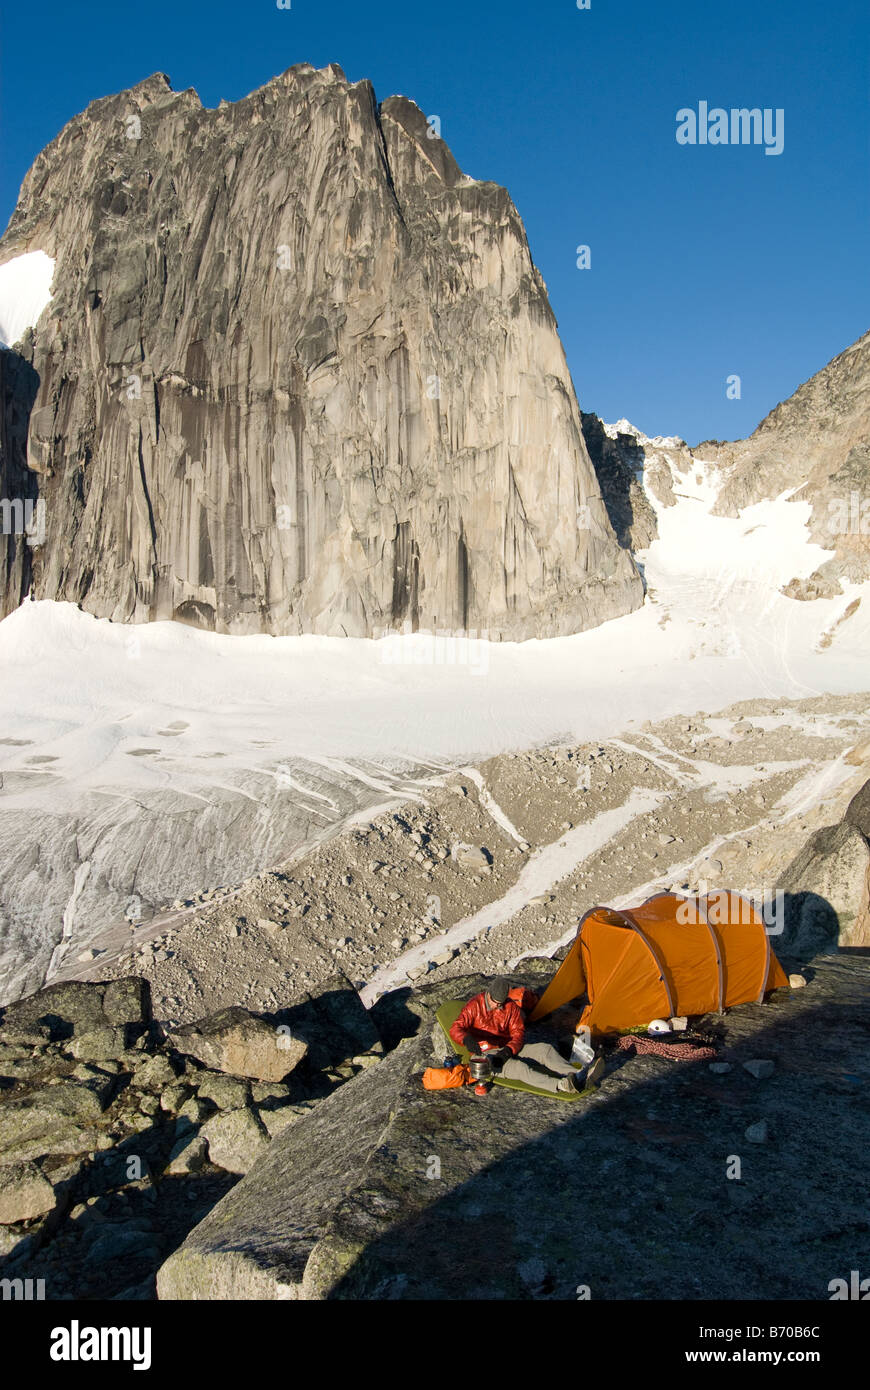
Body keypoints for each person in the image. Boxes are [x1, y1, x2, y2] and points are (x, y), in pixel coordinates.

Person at [449, 977, 603, 1095]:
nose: (497, 1006)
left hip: (507, 1047)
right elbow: (456, 1027)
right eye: (495, 1002)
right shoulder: (474, 1006)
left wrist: (508, 1051)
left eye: (500, 1003)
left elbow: (518, 1033)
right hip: (486, 1054)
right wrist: (467, 1039)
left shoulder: (510, 1007)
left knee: (545, 1050)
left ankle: (578, 1075)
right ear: (488, 994)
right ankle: (563, 1085)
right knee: (520, 1068)